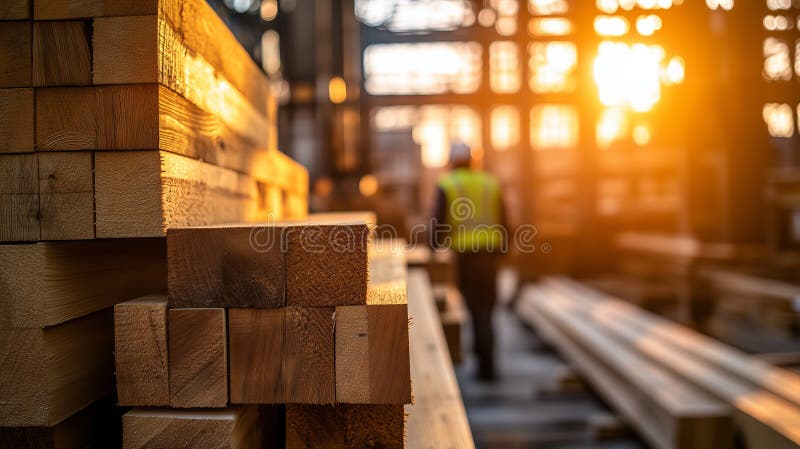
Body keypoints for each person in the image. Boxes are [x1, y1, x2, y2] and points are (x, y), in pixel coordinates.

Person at [431, 141, 508, 381]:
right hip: (489, 253)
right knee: (486, 307)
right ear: (474, 160)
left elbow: (439, 220)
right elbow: (505, 219)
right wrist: (504, 249)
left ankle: (482, 361)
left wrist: (434, 248)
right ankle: (488, 363)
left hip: (466, 255)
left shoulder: (447, 183)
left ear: (452, 162)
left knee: (474, 306)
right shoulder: (491, 183)